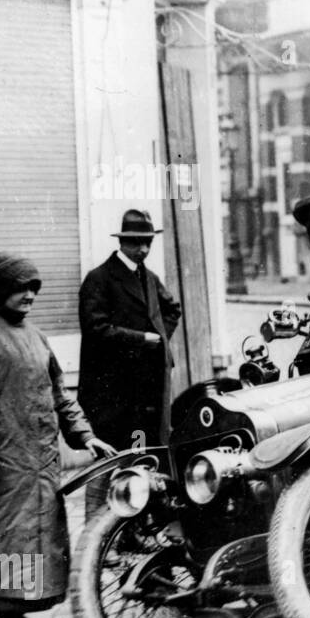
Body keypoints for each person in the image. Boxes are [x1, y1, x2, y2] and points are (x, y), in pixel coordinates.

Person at [0, 254, 116, 618]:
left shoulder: (37, 337)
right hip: (1, 459)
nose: (29, 296)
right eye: (21, 288)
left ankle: (20, 615)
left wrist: (85, 435)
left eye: (33, 289)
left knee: (37, 536)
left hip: (39, 456)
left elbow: (61, 394)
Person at [78, 209, 181, 518]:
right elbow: (96, 329)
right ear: (123, 242)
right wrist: (143, 340)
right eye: (137, 243)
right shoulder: (99, 279)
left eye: (148, 242)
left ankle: (134, 530)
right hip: (110, 392)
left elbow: (172, 309)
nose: (144, 249)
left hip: (146, 391)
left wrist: (161, 340)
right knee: (106, 461)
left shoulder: (149, 277)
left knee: (143, 459)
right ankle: (94, 534)